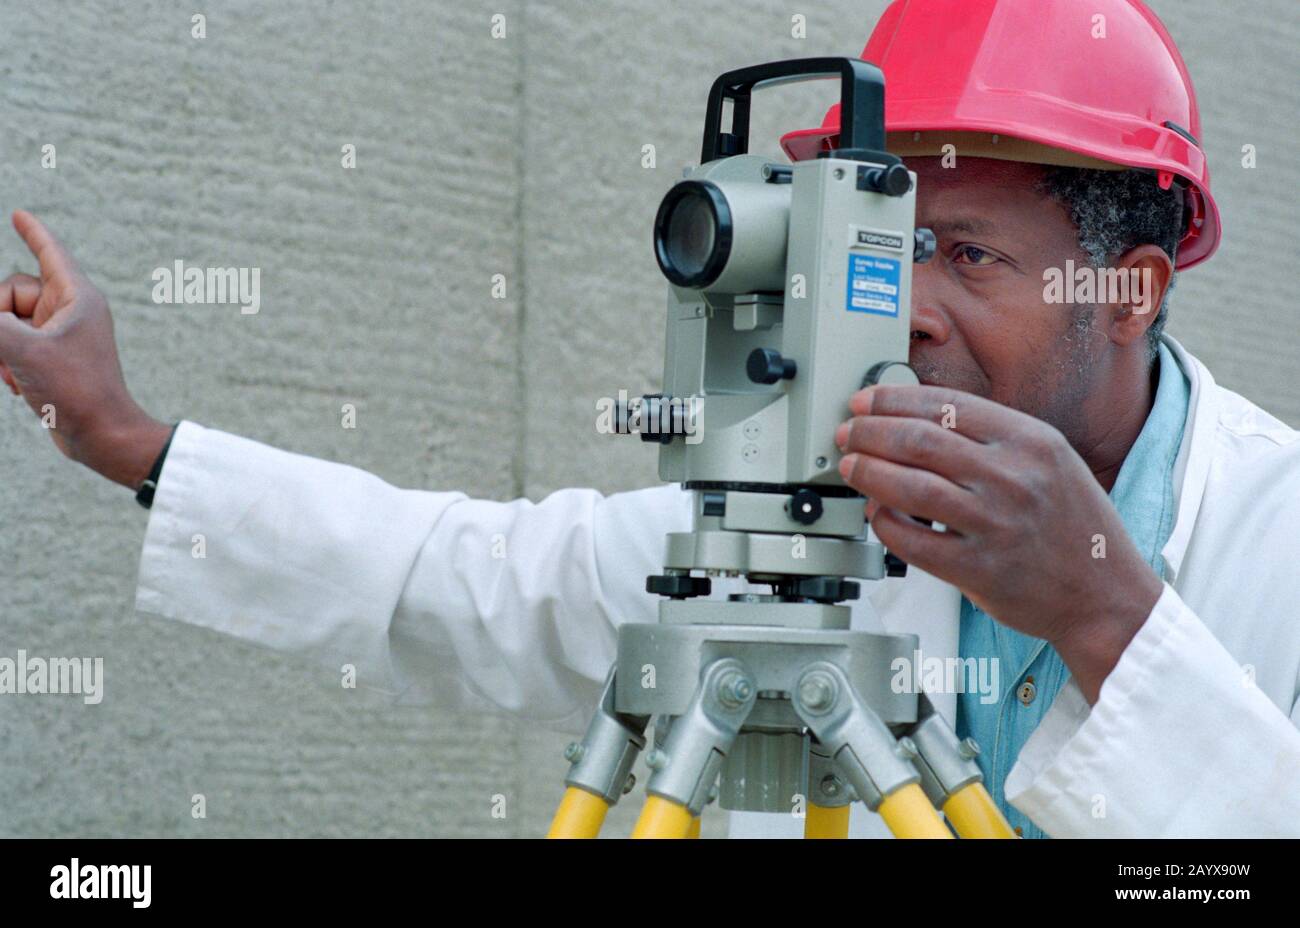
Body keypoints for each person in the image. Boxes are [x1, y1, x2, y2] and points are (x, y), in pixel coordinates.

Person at [2, 0, 1297, 838]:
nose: (903, 309)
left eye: (964, 255)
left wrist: (1098, 614)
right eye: (879, 245)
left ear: (1127, 292)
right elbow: (467, 575)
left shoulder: (1275, 530)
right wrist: (131, 438)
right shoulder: (803, 519)